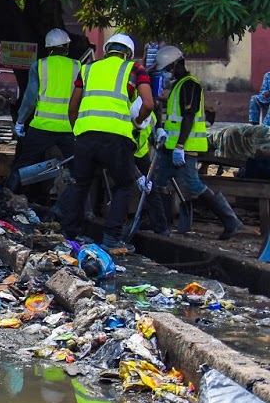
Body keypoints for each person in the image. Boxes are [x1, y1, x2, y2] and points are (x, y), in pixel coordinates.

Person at [55, 33, 154, 246]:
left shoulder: (88, 69)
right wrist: (138, 122)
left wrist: (78, 131)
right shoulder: (135, 69)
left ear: (107, 50)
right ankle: (110, 238)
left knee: (81, 184)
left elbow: (72, 107)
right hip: (117, 138)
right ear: (128, 54)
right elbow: (148, 104)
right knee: (124, 184)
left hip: (85, 136)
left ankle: (70, 235)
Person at [149, 46, 243, 239]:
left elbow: (189, 117)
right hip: (169, 146)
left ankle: (230, 221)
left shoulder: (189, 85)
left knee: (193, 185)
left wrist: (180, 146)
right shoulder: (179, 85)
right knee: (156, 182)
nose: (166, 73)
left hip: (185, 148)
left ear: (176, 64)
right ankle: (159, 222)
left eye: (168, 68)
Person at [12, 29, 80, 196]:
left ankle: (5, 197)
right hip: (68, 128)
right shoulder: (78, 66)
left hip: (41, 126)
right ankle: (79, 206)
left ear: (48, 48)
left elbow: (30, 98)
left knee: (22, 165)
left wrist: (20, 121)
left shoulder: (39, 66)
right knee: (78, 171)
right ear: (66, 47)